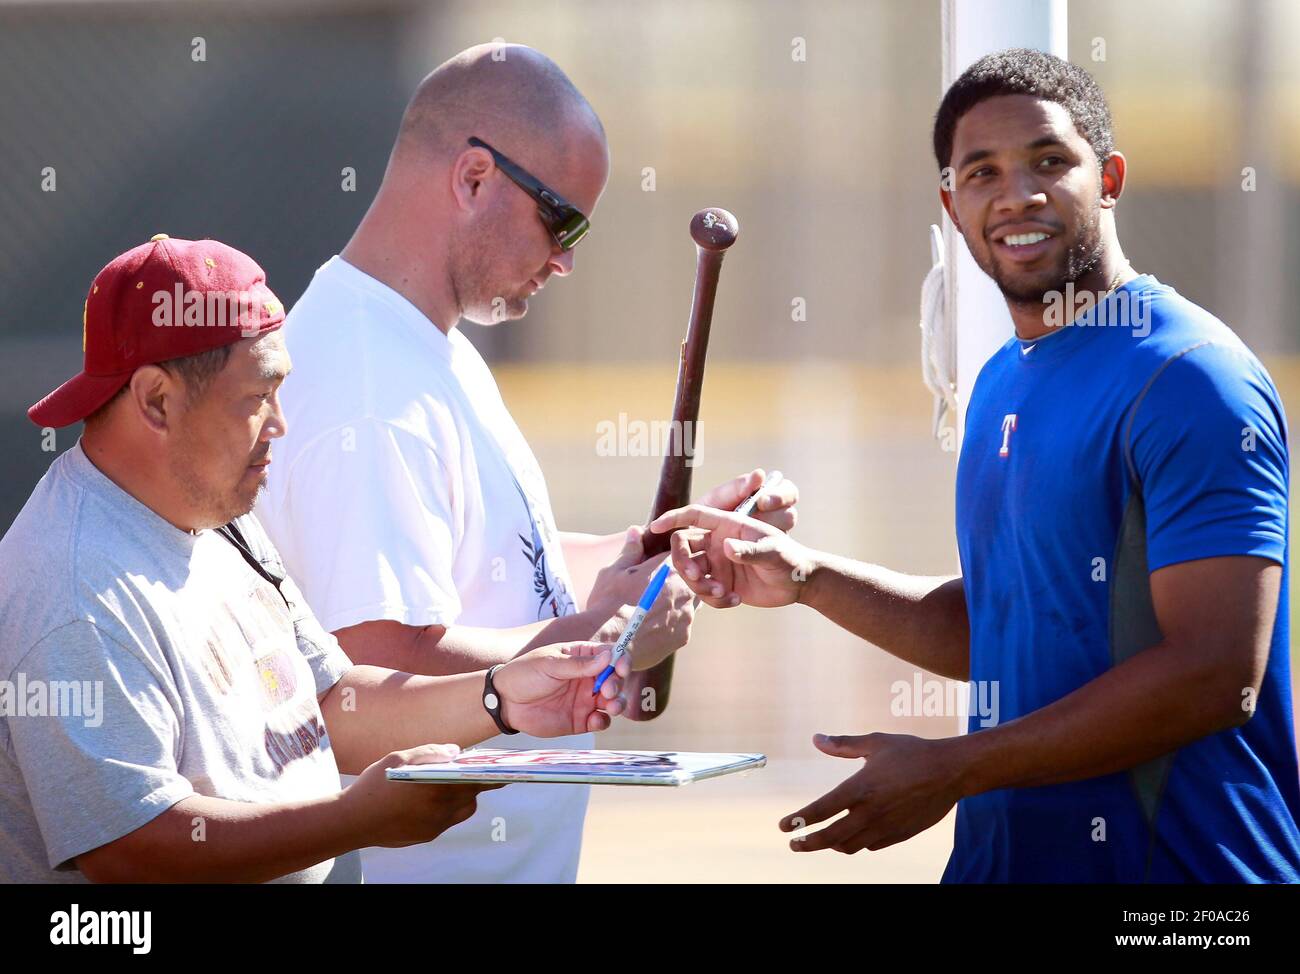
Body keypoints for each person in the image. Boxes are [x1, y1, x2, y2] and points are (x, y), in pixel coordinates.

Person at [651, 49, 1299, 883]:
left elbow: (1215, 676)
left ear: (1110, 178)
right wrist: (806, 577)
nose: (1018, 195)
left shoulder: (1192, 379)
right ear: (950, 203)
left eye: (1050, 162)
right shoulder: (1000, 380)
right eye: (982, 172)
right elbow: (1000, 627)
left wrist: (957, 766)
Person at [256, 42, 799, 883]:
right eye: (562, 222)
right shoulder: (369, 388)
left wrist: (661, 556)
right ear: (474, 178)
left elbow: (509, 569)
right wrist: (605, 635)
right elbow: (372, 671)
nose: (567, 259)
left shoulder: (427, 347)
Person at [0, 235, 629, 883]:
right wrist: (358, 818)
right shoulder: (75, 589)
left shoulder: (215, 509)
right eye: (257, 397)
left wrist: (500, 698)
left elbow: (326, 703)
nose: (280, 423)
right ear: (157, 400)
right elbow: (133, 850)